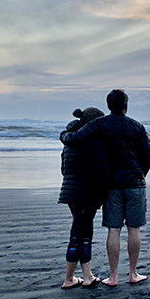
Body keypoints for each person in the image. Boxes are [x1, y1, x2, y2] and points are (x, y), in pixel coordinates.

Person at [60, 89, 150, 287]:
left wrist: (65, 133)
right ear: (126, 106)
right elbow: (149, 154)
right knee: (133, 229)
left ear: (108, 105)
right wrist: (140, 173)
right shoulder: (137, 126)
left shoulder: (99, 124)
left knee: (114, 230)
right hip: (135, 184)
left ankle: (113, 277)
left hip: (113, 185)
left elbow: (75, 139)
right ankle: (133, 273)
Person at [58, 107, 110, 289]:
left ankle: (81, 276)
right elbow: (103, 172)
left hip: (70, 192)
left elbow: (63, 169)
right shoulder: (95, 142)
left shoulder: (69, 141)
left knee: (80, 232)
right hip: (87, 194)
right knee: (81, 235)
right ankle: (74, 278)